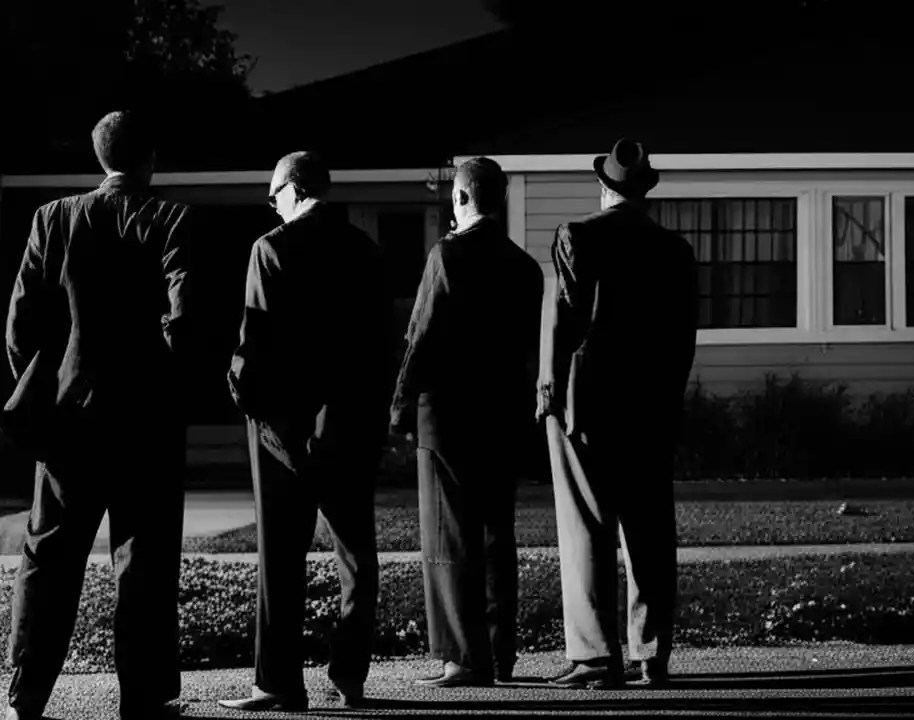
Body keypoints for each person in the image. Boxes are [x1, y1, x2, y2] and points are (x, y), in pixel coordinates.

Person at [2, 110, 195, 720]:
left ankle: (27, 694)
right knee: (145, 563)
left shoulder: (52, 219)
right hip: (145, 424)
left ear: (100, 158)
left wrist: (44, 389)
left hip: (68, 423)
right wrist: (165, 383)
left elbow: (20, 324)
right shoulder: (171, 220)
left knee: (49, 559)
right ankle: (143, 697)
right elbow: (185, 319)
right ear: (150, 160)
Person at [219, 151, 394, 712]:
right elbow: (381, 344)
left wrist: (242, 393)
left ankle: (278, 683)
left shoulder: (271, 249)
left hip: (285, 429)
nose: (272, 204)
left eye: (274, 194)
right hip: (350, 423)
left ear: (293, 190)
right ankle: (350, 676)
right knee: (356, 555)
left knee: (281, 556)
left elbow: (256, 340)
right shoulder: (365, 251)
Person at [535, 138, 698, 689]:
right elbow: (683, 340)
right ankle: (650, 653)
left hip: (588, 404)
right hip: (651, 405)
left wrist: (549, 393)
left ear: (603, 186)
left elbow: (566, 322)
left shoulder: (579, 236)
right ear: (645, 191)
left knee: (586, 526)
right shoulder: (675, 251)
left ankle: (595, 656)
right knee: (650, 530)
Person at [389, 157, 544, 687]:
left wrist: (400, 405)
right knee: (497, 534)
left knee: (450, 536)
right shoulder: (524, 268)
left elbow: (422, 336)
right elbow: (526, 350)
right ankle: (499, 654)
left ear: (460, 198)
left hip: (449, 416)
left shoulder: (447, 255)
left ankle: (462, 656)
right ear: (500, 200)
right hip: (502, 414)